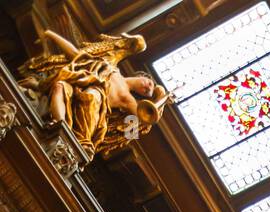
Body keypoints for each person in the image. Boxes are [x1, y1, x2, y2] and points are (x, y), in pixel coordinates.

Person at [19, 30, 168, 158]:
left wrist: (160, 99)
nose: (147, 87)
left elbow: (133, 130)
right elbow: (76, 54)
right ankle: (60, 126)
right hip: (76, 89)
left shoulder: (129, 100)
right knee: (59, 86)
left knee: (93, 95)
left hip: (93, 108)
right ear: (142, 75)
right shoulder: (110, 64)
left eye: (148, 92)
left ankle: (69, 138)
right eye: (149, 83)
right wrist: (50, 34)